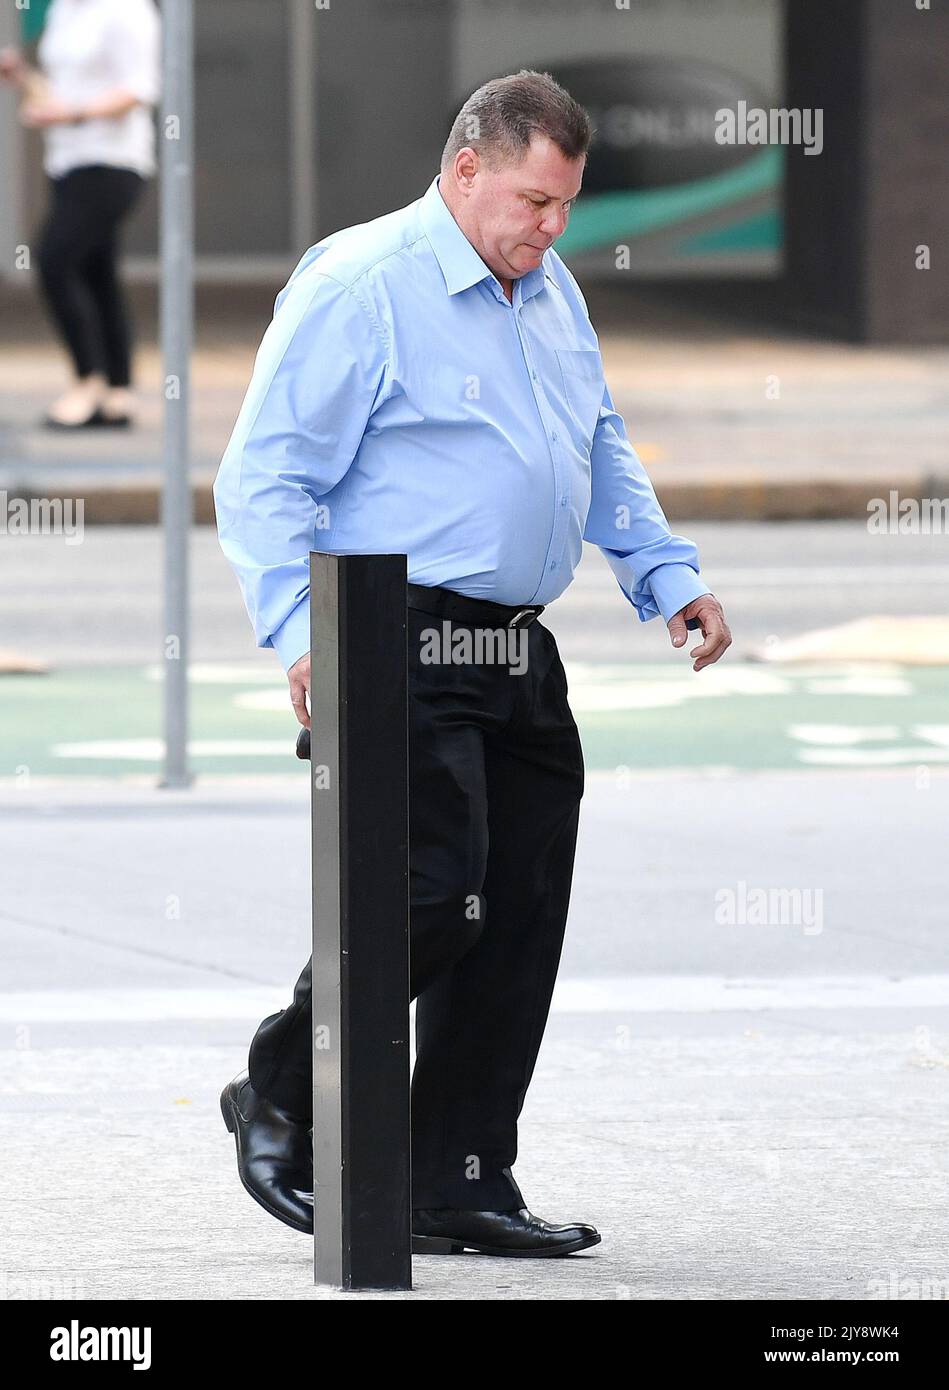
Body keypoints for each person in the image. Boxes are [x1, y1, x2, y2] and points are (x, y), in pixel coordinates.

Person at [213, 70, 732, 1258]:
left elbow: (594, 441)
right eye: (533, 204)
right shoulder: (361, 284)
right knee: (431, 890)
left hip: (513, 645)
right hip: (390, 627)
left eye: (565, 208)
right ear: (463, 172)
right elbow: (264, 478)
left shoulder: (546, 292)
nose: (550, 231)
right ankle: (284, 1095)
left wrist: (663, 570)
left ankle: (457, 1171)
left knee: (517, 914)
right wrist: (301, 631)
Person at [0, 0, 161, 429]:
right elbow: (63, 91)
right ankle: (118, 393)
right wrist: (23, 78)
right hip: (67, 160)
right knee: (97, 272)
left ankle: (87, 381)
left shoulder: (127, 10)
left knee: (56, 260)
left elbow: (138, 90)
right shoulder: (63, 11)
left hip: (112, 161)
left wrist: (71, 114)